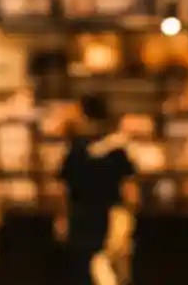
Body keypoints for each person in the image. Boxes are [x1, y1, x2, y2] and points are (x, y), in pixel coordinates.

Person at [58, 96, 137, 285]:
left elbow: (63, 188)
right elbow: (130, 190)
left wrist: (62, 217)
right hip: (97, 218)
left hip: (95, 219)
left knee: (100, 265)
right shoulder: (113, 150)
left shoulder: (81, 151)